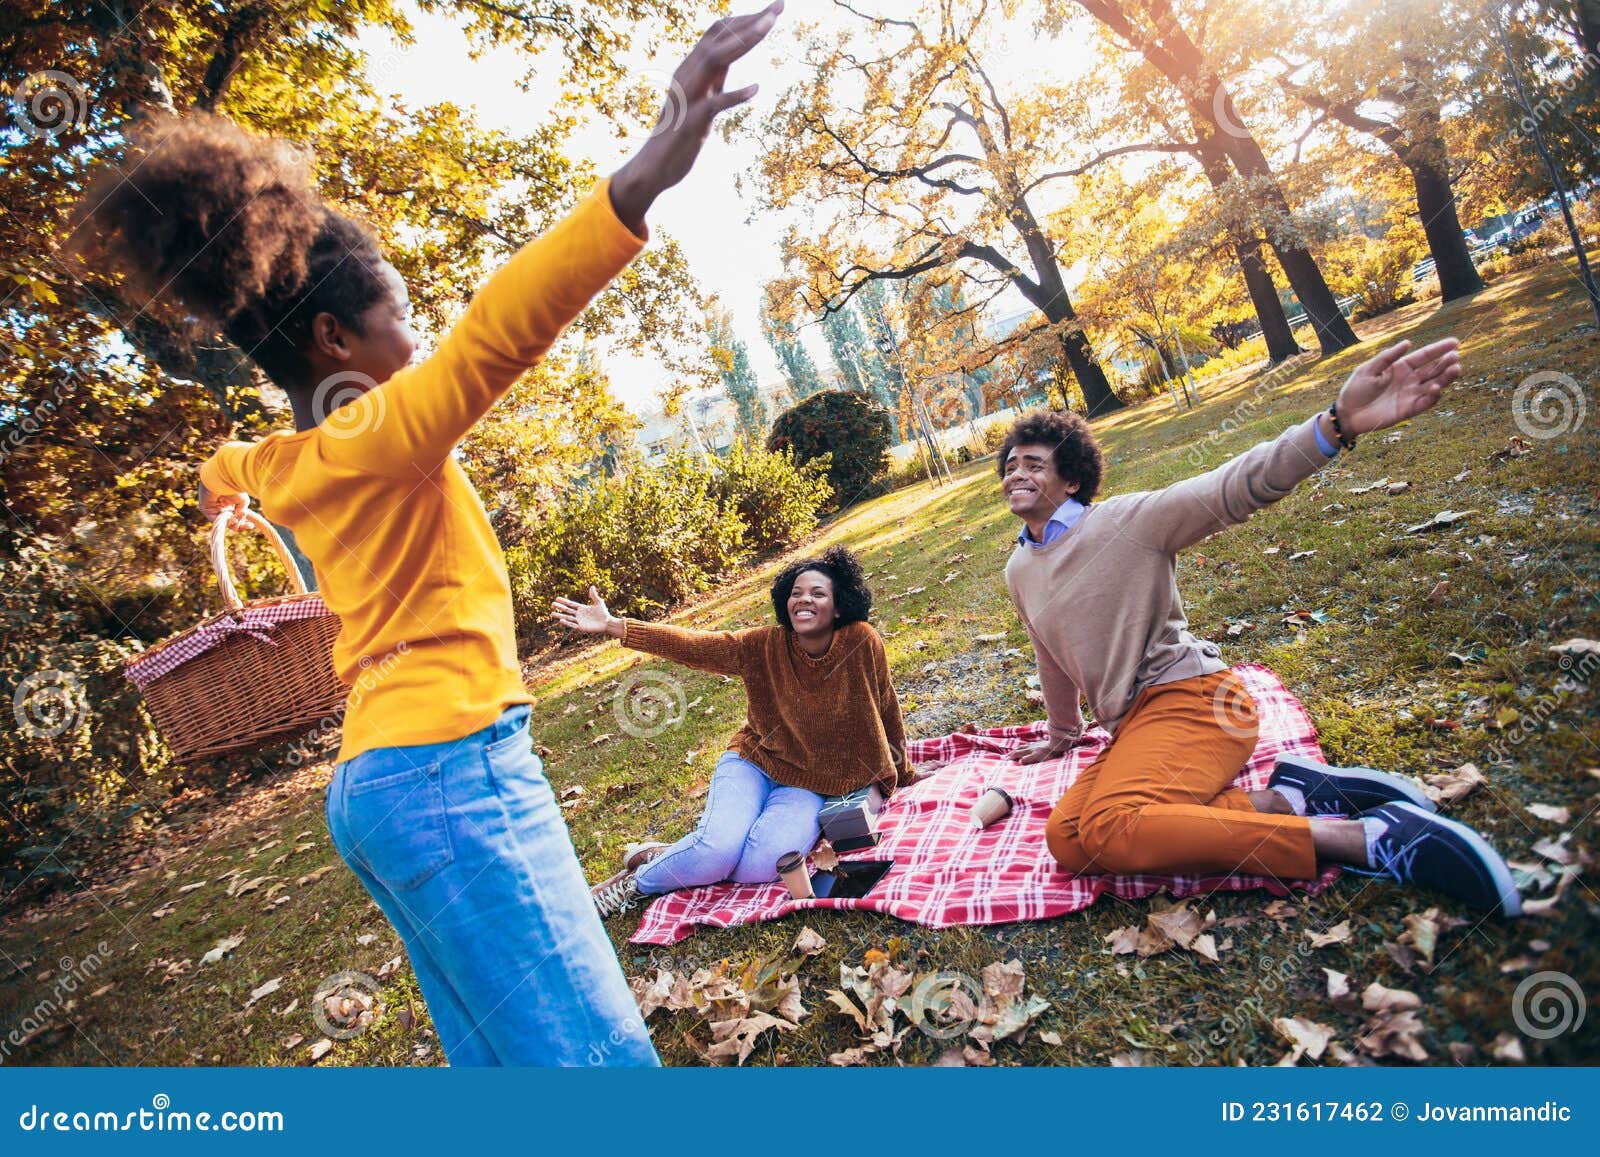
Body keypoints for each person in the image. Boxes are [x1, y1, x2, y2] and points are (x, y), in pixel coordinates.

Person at [75, 2, 788, 1064]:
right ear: (335, 337)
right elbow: (507, 323)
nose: (420, 337)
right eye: (400, 314)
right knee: (594, 1067)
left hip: (377, 792)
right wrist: (647, 167)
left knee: (501, 1063)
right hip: (455, 769)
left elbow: (219, 468)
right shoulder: (387, 432)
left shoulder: (280, 463)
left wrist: (216, 495)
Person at [1000, 338, 1521, 917]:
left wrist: (1337, 424)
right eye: (1010, 464)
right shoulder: (1019, 567)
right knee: (1069, 838)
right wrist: (1062, 733)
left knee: (1110, 827)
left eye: (1034, 463)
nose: (1015, 472)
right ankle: (1289, 797)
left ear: (1070, 481)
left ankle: (1367, 839)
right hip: (1136, 729)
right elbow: (1049, 652)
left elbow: (1235, 486)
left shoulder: (1125, 523)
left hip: (1196, 704)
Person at [552, 545, 912, 916]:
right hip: (753, 762)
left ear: (838, 606)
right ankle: (636, 882)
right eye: (796, 593)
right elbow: (695, 645)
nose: (804, 600)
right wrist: (615, 625)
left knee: (763, 868)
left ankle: (664, 853)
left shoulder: (861, 641)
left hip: (807, 783)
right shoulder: (763, 645)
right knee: (717, 851)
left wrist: (904, 771)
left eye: (817, 593)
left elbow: (885, 704)